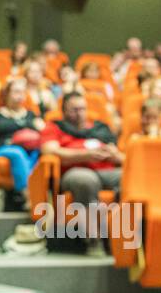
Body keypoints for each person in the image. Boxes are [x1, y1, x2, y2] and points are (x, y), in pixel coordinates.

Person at [40, 91, 124, 255]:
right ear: (64, 111)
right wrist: (85, 155)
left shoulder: (100, 128)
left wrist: (114, 155)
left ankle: (124, 236)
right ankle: (93, 240)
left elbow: (120, 156)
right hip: (74, 171)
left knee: (128, 177)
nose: (80, 113)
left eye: (83, 109)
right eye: (74, 110)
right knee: (85, 180)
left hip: (105, 170)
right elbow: (49, 151)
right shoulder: (55, 127)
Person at [0, 76, 44, 202]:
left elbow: (44, 130)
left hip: (29, 149)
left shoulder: (31, 115)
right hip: (5, 148)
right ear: (7, 94)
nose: (20, 96)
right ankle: (28, 196)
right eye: (16, 92)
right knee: (18, 153)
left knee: (39, 154)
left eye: (22, 92)